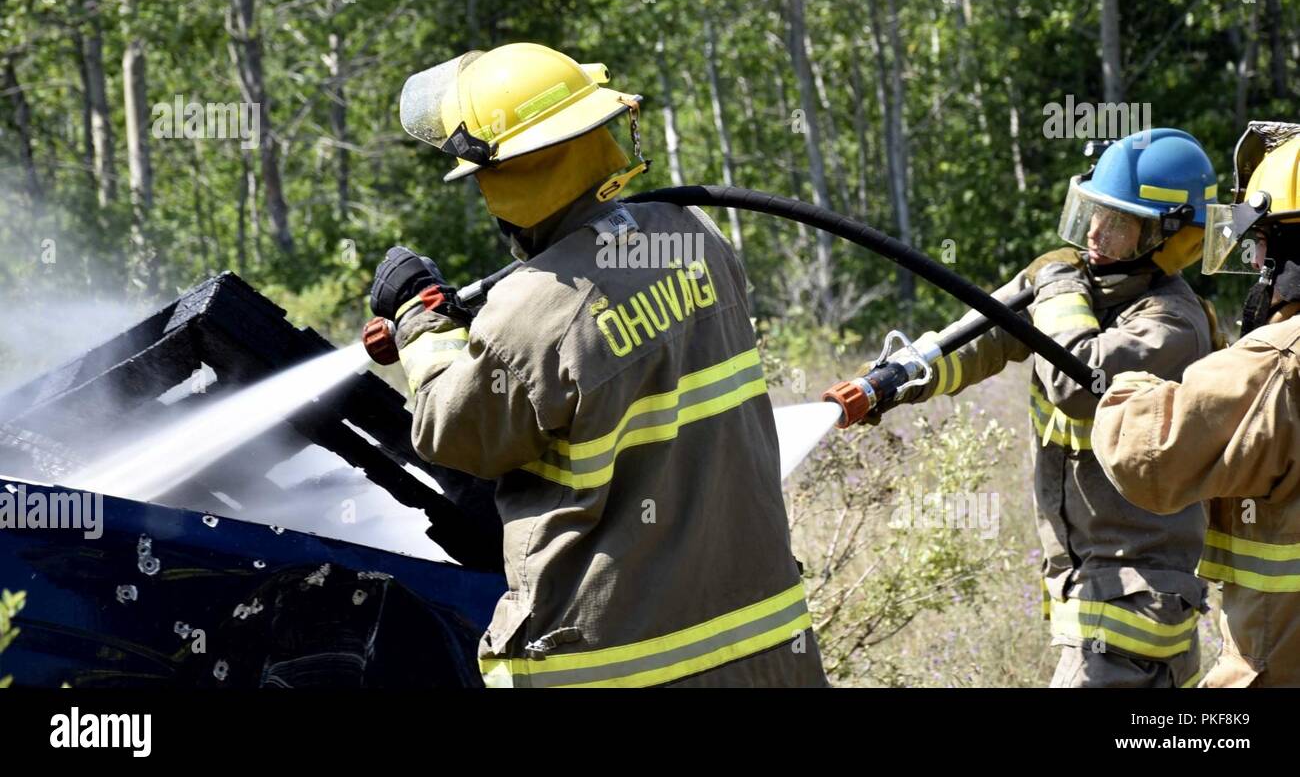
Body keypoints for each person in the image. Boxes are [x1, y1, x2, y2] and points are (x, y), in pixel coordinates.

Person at [370, 42, 827, 687]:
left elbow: (451, 432)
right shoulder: (692, 236)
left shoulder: (530, 310)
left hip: (618, 665)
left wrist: (421, 326)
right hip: (769, 645)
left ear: (501, 176)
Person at [849, 129, 1221, 687]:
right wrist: (896, 382)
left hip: (1134, 603)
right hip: (1097, 592)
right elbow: (986, 337)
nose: (1095, 236)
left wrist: (1056, 288)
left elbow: (1079, 374)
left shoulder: (1172, 324)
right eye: (1092, 214)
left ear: (1168, 237)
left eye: (1118, 224)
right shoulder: (1080, 291)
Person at [1093, 121, 1300, 687]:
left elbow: (1150, 456)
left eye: (1259, 245)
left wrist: (1131, 387)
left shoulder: (1276, 364)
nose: (1257, 264)